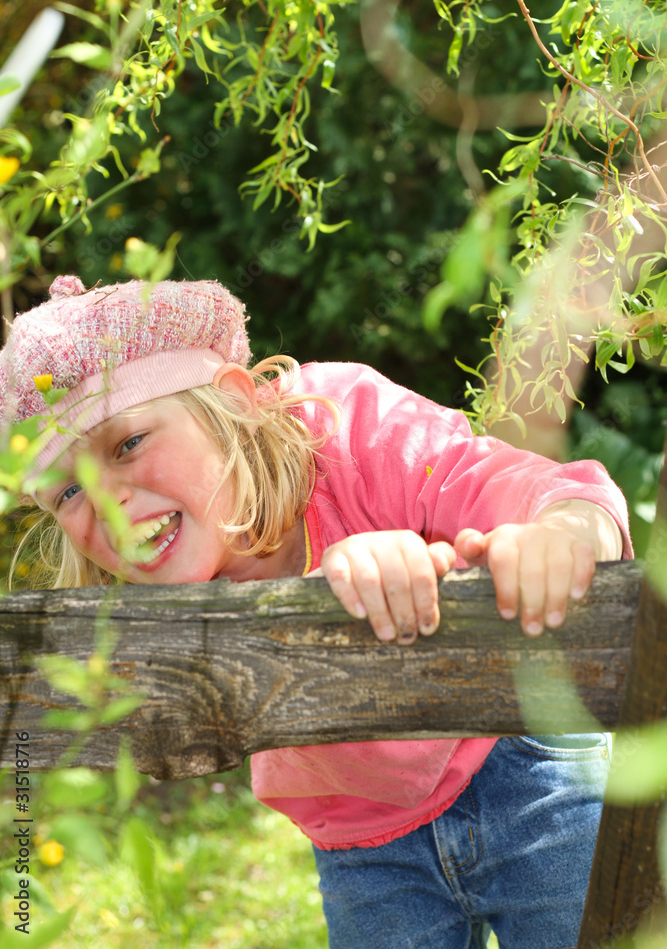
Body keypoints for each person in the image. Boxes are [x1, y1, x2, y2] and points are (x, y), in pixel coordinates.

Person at [1, 274, 632, 949]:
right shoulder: (125, 617)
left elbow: (508, 483)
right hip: (359, 837)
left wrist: (562, 534)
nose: (106, 501)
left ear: (232, 402)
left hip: (519, 764)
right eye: (67, 489)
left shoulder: (344, 427)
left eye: (127, 444)